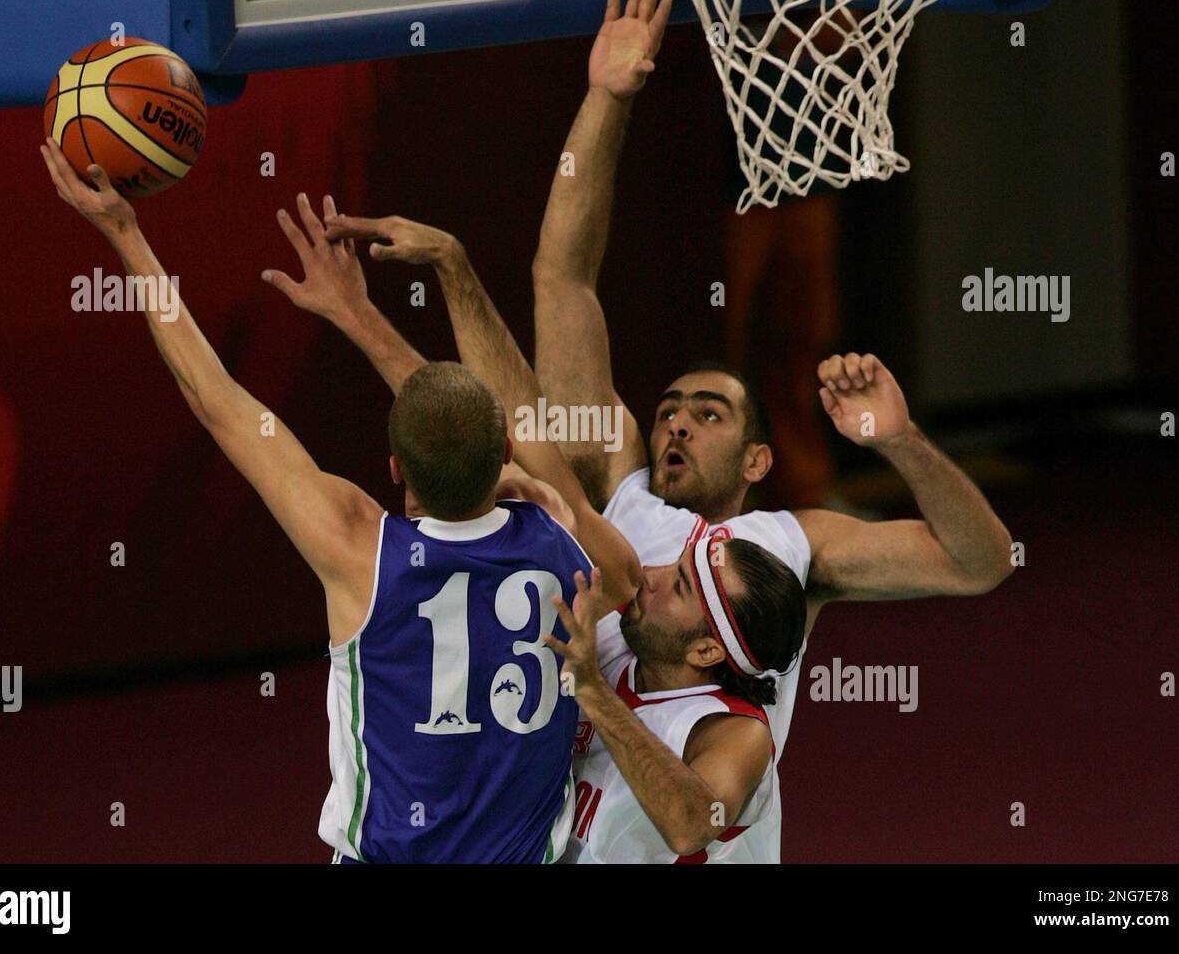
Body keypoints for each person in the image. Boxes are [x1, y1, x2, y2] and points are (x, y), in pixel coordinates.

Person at [40, 141, 631, 864]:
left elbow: (216, 399)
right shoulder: (564, 535)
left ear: (392, 467)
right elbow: (612, 564)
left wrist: (125, 232)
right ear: (506, 450)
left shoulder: (359, 545)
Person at [530, 0, 1016, 782]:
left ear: (760, 462)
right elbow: (563, 281)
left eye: (709, 413)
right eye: (668, 412)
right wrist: (606, 96)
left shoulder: (795, 549)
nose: (676, 426)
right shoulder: (619, 489)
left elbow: (983, 562)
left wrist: (902, 443)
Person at [275, 202, 810, 862]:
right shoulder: (615, 620)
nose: (654, 570)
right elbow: (482, 429)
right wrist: (421, 281)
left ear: (705, 649)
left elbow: (692, 820)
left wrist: (590, 688)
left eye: (681, 584)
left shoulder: (732, 731)